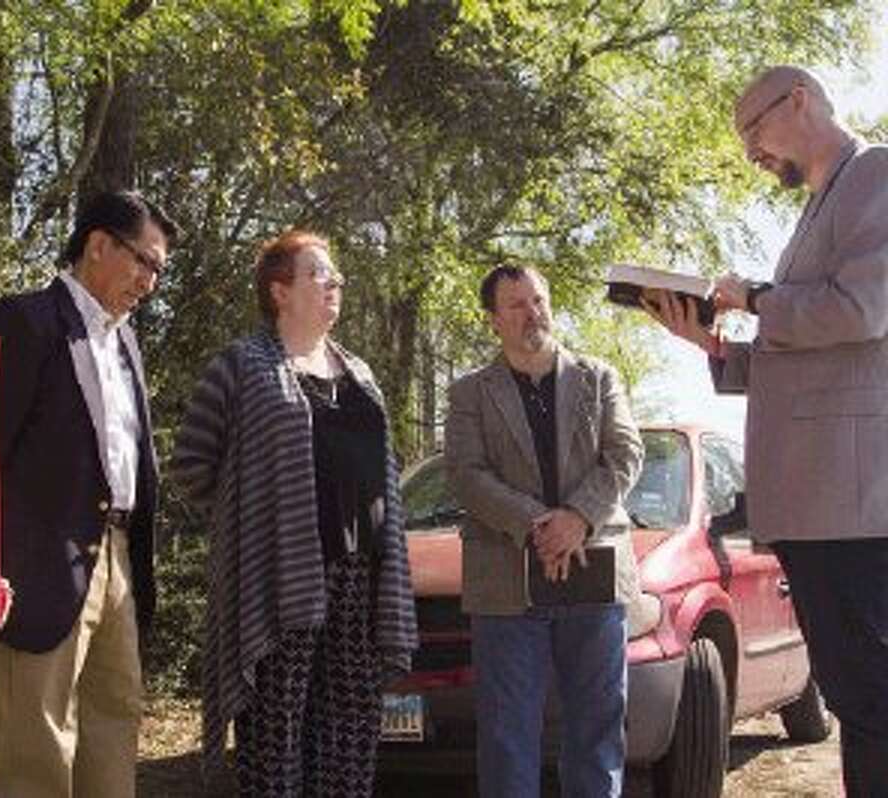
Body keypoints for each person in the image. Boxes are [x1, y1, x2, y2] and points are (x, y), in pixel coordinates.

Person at [645, 64, 888, 796]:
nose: (751, 152)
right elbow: (814, 354)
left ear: (801, 100)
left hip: (851, 502)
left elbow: (861, 312)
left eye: (753, 129)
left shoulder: (874, 174)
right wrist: (715, 348)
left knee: (871, 698)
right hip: (817, 507)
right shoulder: (819, 205)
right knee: (857, 699)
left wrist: (755, 296)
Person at [171, 230, 417, 796]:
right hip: (279, 578)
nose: (335, 283)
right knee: (276, 728)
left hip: (360, 576)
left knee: (350, 727)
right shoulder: (242, 366)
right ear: (280, 291)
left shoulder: (360, 372)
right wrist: (257, 520)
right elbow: (191, 465)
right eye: (318, 273)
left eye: (335, 275)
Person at [0, 189, 177, 798]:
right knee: (37, 756)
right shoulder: (25, 320)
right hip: (37, 567)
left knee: (113, 735)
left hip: (117, 560)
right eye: (142, 260)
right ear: (96, 245)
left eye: (158, 270)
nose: (149, 281)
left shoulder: (126, 343)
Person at [445, 265, 643, 798]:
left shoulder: (598, 377)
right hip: (506, 586)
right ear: (493, 321)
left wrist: (577, 519)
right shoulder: (469, 393)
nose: (533, 313)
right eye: (516, 305)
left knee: (598, 730)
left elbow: (625, 454)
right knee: (508, 738)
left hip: (595, 574)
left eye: (538, 300)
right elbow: (465, 475)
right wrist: (540, 526)